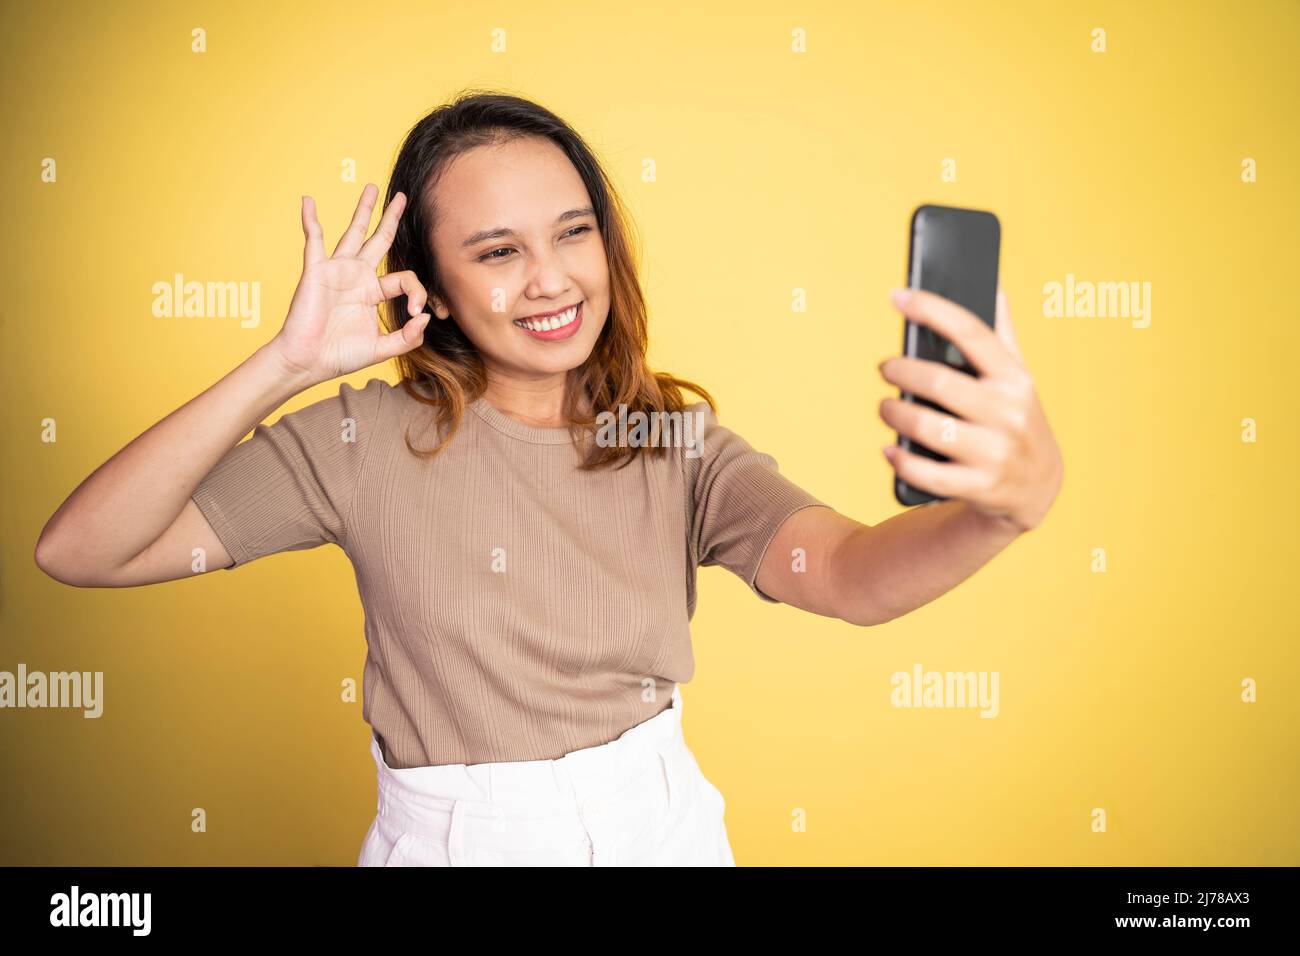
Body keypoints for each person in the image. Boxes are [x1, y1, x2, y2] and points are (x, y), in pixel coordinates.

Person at [34, 90, 1063, 867]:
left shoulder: (666, 439)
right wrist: (285, 365)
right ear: (431, 282)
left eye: (573, 231)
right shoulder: (356, 440)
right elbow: (80, 549)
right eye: (496, 250)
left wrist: (999, 514)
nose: (552, 278)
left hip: (662, 827)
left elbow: (843, 573)